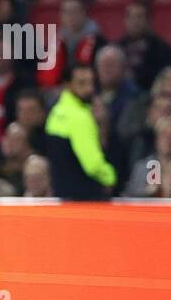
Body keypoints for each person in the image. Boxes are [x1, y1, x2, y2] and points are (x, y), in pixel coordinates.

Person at [44, 63, 117, 200]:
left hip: (62, 195)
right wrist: (111, 178)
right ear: (67, 84)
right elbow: (93, 165)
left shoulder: (56, 112)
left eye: (90, 82)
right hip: (84, 198)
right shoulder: (80, 117)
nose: (89, 89)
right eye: (81, 83)